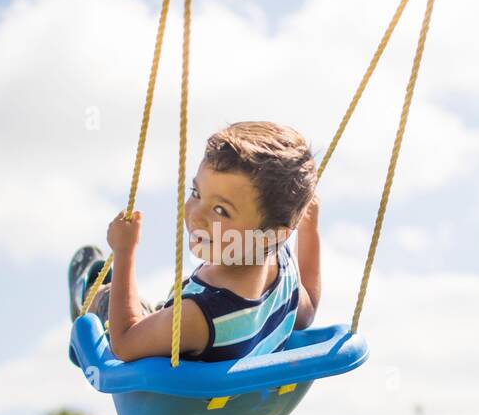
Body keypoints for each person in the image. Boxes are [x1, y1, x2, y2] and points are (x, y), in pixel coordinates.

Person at [68, 121, 322, 363]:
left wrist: (124, 252)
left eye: (221, 210)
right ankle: (145, 307)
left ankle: (89, 296)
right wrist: (310, 228)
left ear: (276, 234)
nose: (196, 214)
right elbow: (306, 311)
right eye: (196, 193)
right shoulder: (283, 268)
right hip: (239, 390)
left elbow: (123, 343)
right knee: (161, 309)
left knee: (105, 295)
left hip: (169, 385)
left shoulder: (201, 316)